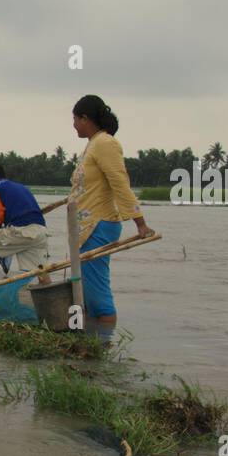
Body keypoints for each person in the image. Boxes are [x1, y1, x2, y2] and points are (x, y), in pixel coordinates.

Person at [67, 95, 155, 334]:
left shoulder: (105, 143)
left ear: (85, 118)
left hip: (98, 225)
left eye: (75, 119)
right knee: (83, 294)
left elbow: (120, 184)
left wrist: (141, 224)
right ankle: (89, 344)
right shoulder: (93, 144)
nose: (73, 125)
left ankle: (104, 348)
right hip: (84, 228)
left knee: (97, 297)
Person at [0, 163, 51, 283]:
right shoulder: (20, 186)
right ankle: (49, 294)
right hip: (41, 231)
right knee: (41, 271)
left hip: (21, 231)